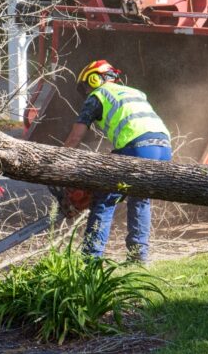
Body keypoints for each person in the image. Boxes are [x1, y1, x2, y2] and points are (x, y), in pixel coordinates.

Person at [63, 59, 172, 263]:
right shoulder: (135, 92)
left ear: (94, 79)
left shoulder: (98, 95)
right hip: (164, 148)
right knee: (140, 198)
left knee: (104, 197)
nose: (86, 91)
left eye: (85, 86)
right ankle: (138, 258)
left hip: (137, 148)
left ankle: (91, 259)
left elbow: (75, 138)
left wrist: (60, 165)